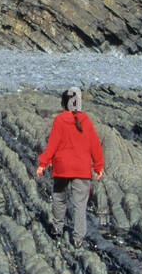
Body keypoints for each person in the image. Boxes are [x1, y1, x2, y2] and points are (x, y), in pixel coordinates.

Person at [36, 90, 104, 247]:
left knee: (59, 198)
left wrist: (42, 163)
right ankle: (78, 238)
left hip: (62, 167)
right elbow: (95, 145)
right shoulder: (86, 121)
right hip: (82, 169)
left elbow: (52, 145)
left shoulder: (60, 120)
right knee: (79, 204)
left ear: (63, 103)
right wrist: (98, 166)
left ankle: (57, 228)